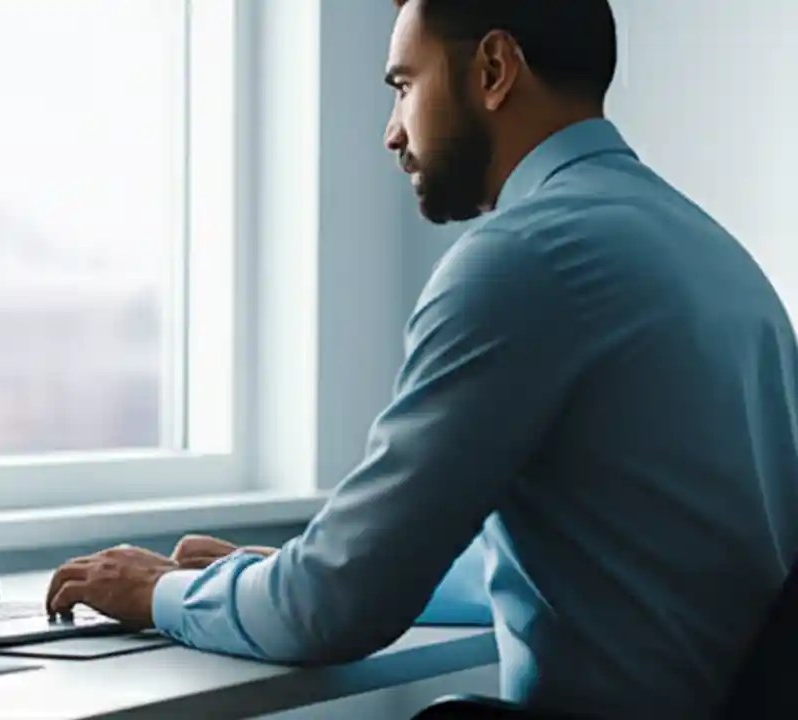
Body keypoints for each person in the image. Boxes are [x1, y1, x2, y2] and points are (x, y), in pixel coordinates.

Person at [45, 1, 798, 717]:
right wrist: (276, 572)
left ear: (494, 69)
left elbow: (332, 614)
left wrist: (155, 594)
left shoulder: (524, 259)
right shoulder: (712, 254)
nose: (392, 133)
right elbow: (608, 567)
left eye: (405, 85)